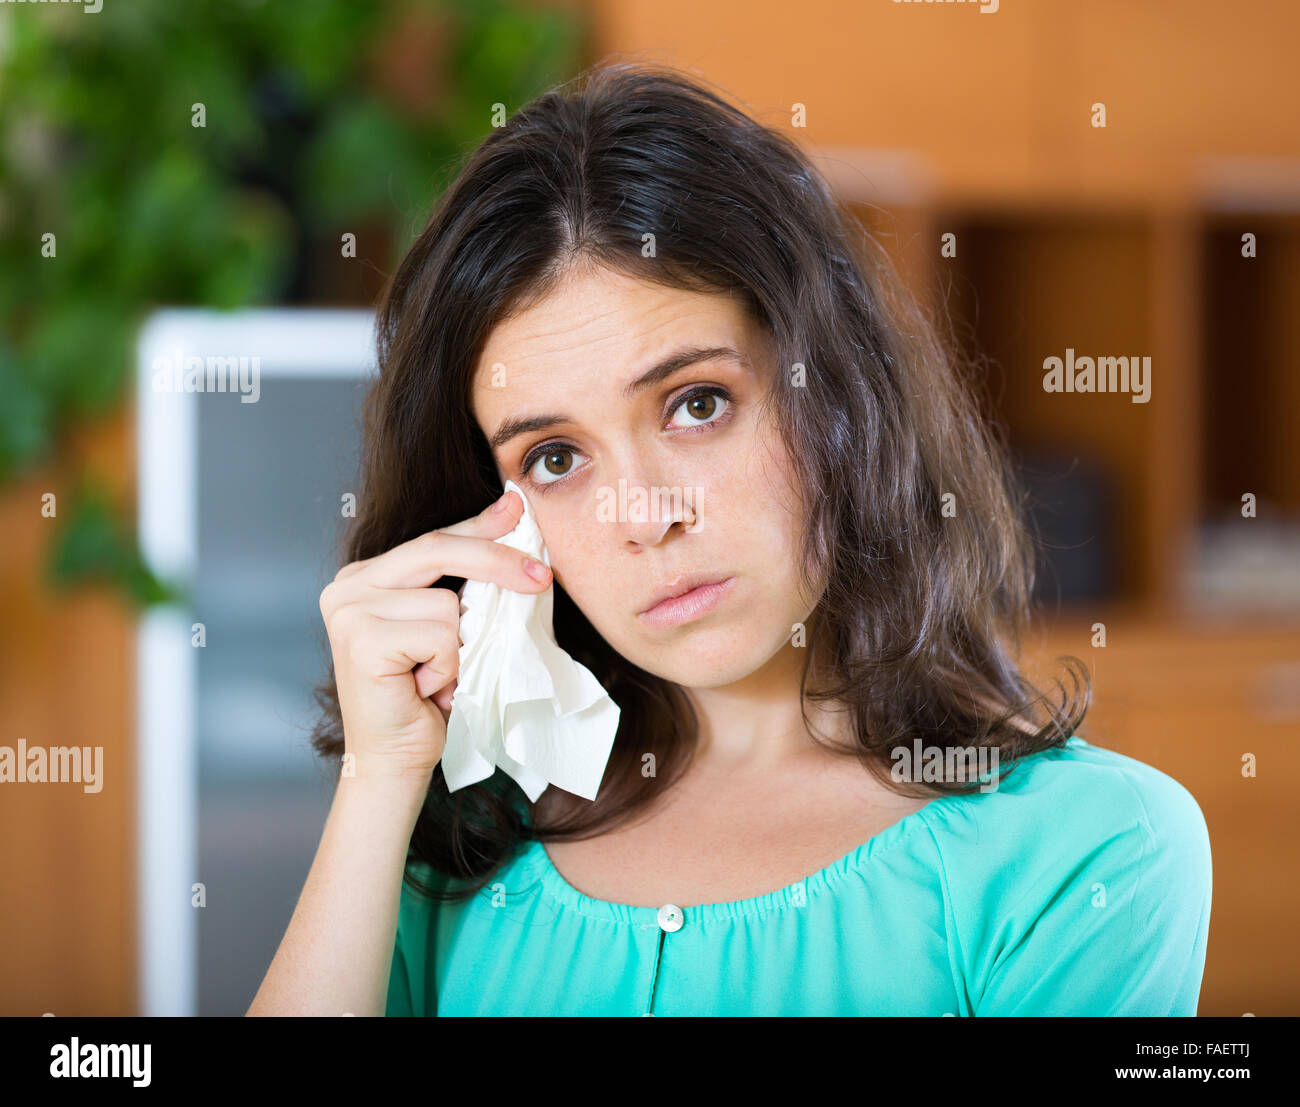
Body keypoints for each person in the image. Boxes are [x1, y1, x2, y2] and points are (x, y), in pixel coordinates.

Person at [247, 60, 1212, 1017]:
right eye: (553, 458)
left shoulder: (1089, 853)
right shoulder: (454, 841)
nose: (646, 514)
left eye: (697, 404)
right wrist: (379, 782)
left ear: (836, 392)